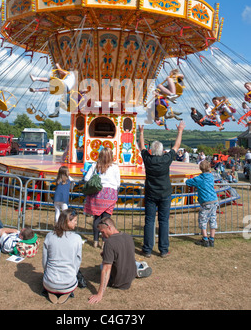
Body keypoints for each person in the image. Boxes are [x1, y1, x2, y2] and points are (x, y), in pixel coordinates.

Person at [138, 121, 185, 258]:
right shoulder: (166, 159)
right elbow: (176, 146)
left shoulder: (147, 159)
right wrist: (180, 130)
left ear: (151, 150)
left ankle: (147, 249)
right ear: (162, 150)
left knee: (149, 220)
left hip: (151, 194)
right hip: (165, 193)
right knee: (164, 221)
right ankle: (163, 249)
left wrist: (141, 132)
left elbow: (141, 146)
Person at [88, 217, 152, 304]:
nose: (102, 236)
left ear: (109, 228)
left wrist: (100, 294)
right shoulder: (127, 236)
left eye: (102, 232)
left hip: (118, 282)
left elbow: (107, 269)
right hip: (130, 276)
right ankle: (139, 267)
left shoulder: (109, 242)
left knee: (102, 266)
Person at [42, 208, 82, 304]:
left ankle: (52, 289)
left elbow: (44, 260)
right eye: (75, 221)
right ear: (68, 221)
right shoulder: (77, 239)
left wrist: (47, 271)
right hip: (68, 281)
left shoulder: (49, 236)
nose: (76, 223)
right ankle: (65, 291)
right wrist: (73, 273)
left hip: (49, 281)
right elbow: (78, 261)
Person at [83, 147, 120, 248]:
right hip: (110, 195)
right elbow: (118, 183)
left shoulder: (95, 166)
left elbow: (86, 178)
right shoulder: (115, 167)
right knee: (106, 218)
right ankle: (104, 241)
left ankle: (95, 240)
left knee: (96, 218)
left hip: (97, 194)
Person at [185, 160, 218, 247]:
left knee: (203, 220)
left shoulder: (199, 179)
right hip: (214, 201)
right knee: (212, 219)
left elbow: (188, 182)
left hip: (205, 202)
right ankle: (212, 238)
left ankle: (205, 239)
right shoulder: (211, 177)